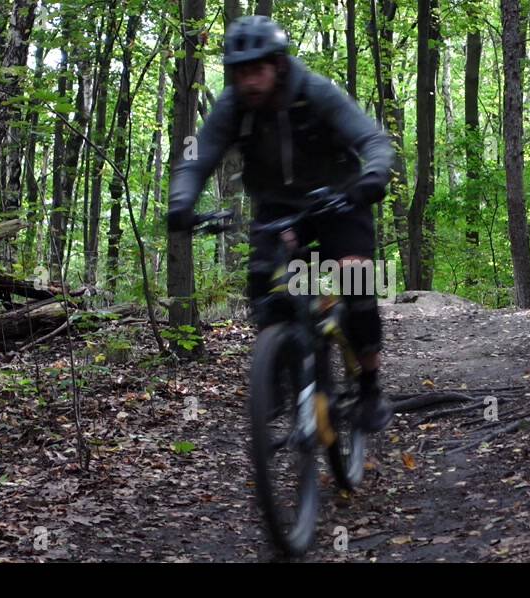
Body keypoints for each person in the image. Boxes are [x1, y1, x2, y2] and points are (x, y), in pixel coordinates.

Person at [166, 15, 395, 432]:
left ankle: (369, 385)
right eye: (241, 72)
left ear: (279, 65)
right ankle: (278, 365)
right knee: (264, 282)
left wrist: (374, 176)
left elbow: (372, 139)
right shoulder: (233, 107)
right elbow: (196, 156)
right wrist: (181, 202)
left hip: (341, 198)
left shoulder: (315, 92)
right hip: (278, 208)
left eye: (258, 70)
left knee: (356, 279)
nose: (249, 81)